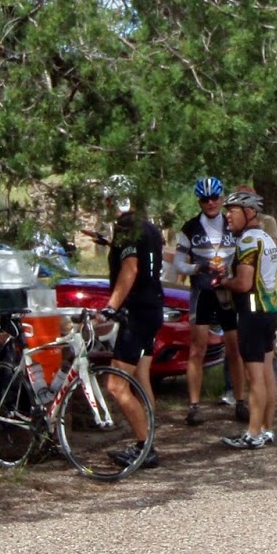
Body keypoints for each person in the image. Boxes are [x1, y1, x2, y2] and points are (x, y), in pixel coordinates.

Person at [100, 186, 164, 469]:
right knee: (142, 377)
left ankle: (144, 446)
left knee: (116, 385)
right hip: (152, 309)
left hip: (137, 314)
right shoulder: (149, 227)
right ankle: (149, 439)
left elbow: (130, 268)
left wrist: (111, 307)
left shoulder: (126, 226)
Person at [173, 176, 241, 425]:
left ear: (222, 199)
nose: (210, 203)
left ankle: (240, 400)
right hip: (202, 292)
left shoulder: (233, 225)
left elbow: (243, 258)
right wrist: (198, 268)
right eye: (205, 199)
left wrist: (231, 272)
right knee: (197, 349)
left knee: (234, 348)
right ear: (199, 201)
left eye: (215, 198)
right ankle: (194, 406)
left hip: (228, 292)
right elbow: (179, 263)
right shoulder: (189, 228)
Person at [219, 189, 277, 449]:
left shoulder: (246, 241)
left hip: (253, 313)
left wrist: (223, 281)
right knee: (268, 375)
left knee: (254, 378)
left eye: (232, 210)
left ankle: (253, 434)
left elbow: (244, 283)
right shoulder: (266, 239)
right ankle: (267, 429)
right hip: (271, 310)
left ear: (249, 212)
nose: (227, 216)